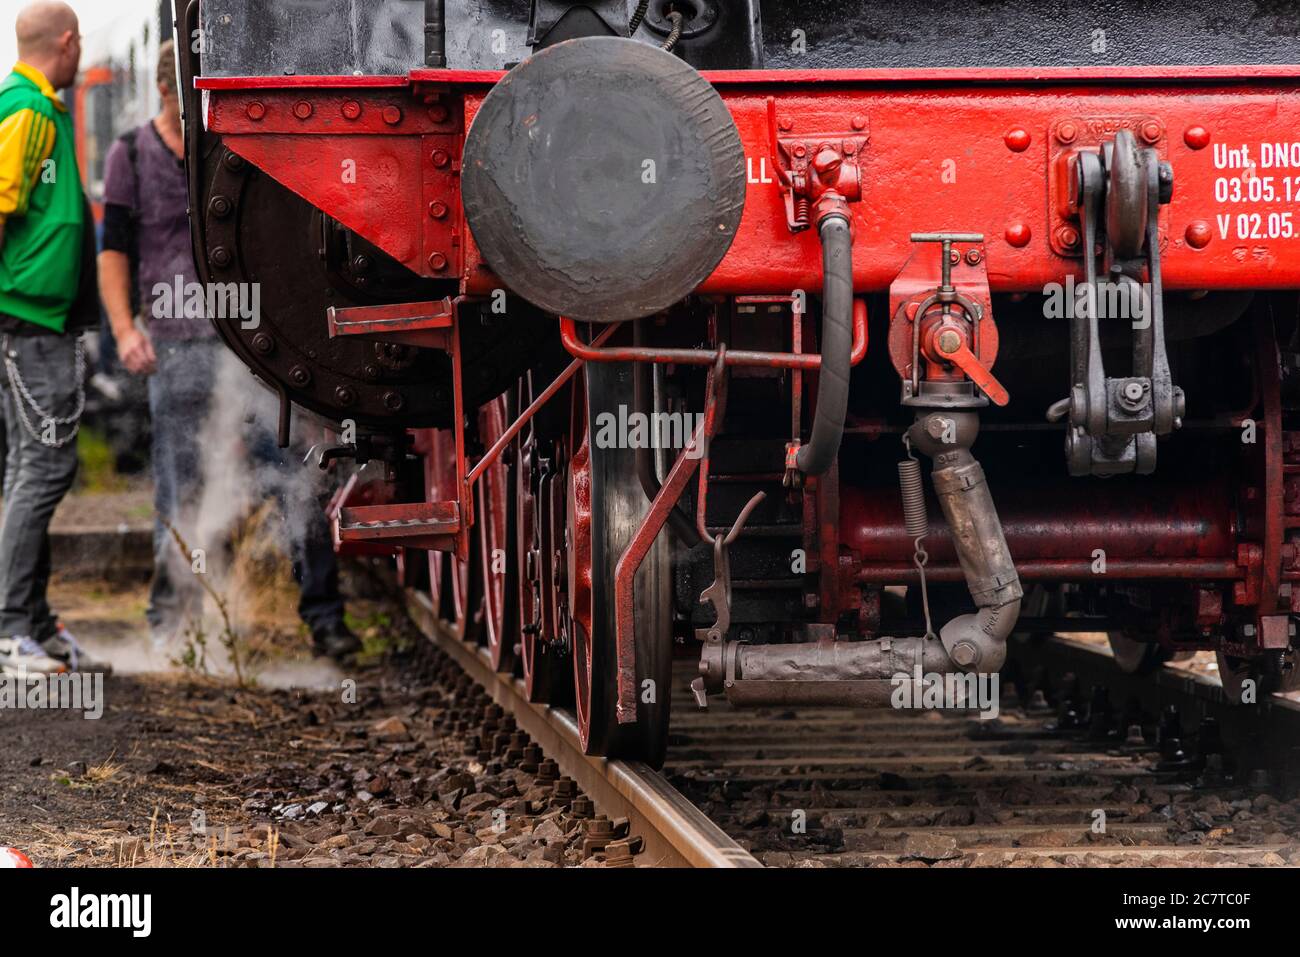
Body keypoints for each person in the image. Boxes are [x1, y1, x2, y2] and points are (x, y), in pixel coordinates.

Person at [98, 41, 361, 661]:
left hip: (259, 347)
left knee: (299, 477)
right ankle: (175, 627)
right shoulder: (130, 155)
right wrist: (122, 329)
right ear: (169, 93)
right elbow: (113, 249)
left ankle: (324, 619)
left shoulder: (245, 142)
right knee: (178, 487)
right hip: (176, 346)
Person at [0, 1, 106, 677]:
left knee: (29, 466)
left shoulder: (39, 106)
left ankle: (33, 622)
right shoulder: (28, 111)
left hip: (41, 317)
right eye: (80, 45)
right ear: (66, 44)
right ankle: (11, 630)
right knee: (44, 467)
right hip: (29, 318)